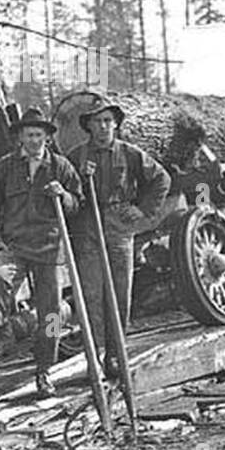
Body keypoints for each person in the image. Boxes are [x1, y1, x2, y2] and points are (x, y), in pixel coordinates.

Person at [0, 108, 83, 397]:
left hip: (49, 249)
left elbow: (79, 205)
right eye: (29, 135)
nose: (34, 140)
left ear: (47, 138)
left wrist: (62, 195)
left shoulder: (61, 167)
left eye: (39, 135)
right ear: (20, 138)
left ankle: (44, 371)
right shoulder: (4, 168)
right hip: (16, 247)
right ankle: (3, 331)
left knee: (50, 315)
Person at [67, 99, 171, 378]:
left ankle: (116, 354)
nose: (103, 127)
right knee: (91, 293)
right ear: (88, 126)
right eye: (97, 122)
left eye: (107, 121)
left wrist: (142, 210)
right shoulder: (75, 156)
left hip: (119, 225)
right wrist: (79, 181)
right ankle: (95, 355)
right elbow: (66, 193)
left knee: (120, 292)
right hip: (87, 226)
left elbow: (162, 179)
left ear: (115, 124)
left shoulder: (129, 153)